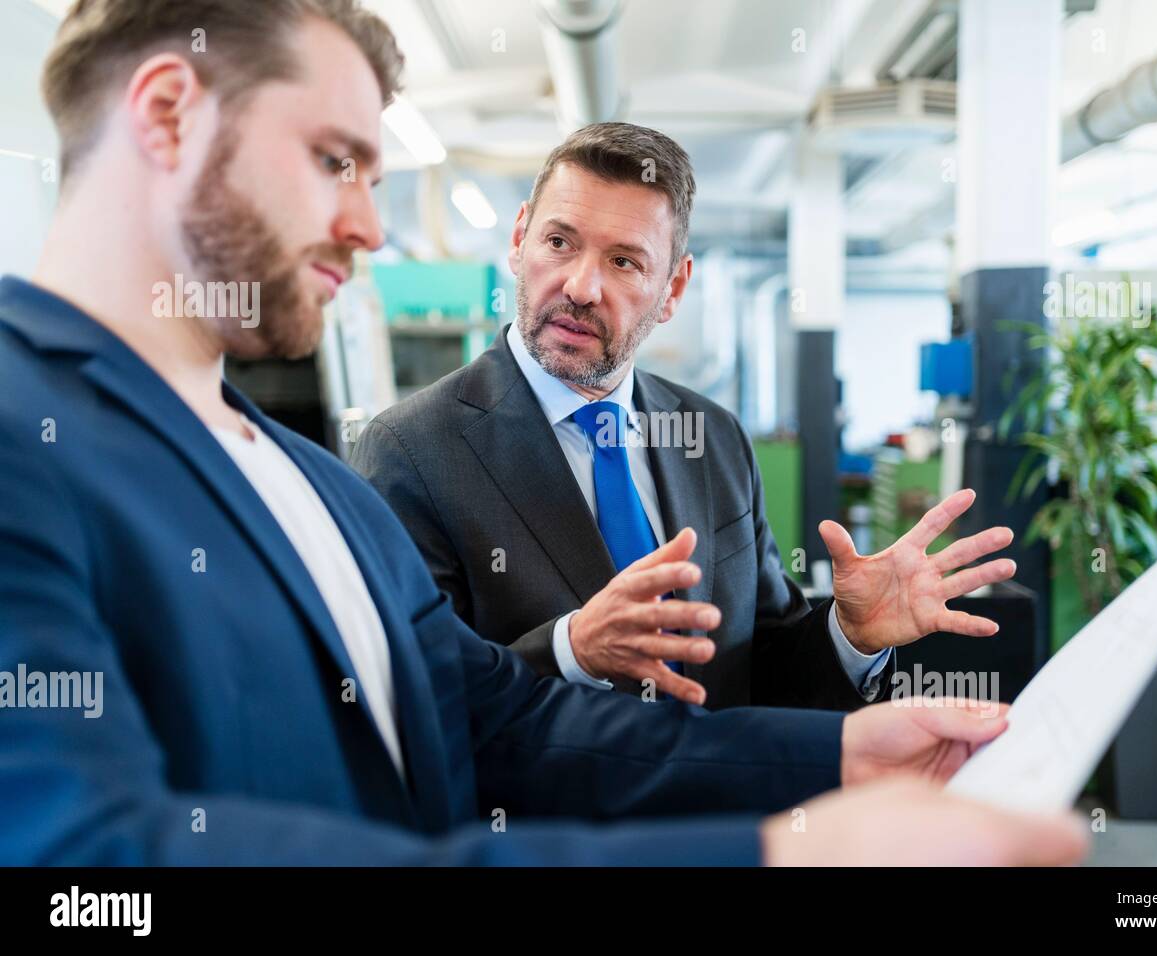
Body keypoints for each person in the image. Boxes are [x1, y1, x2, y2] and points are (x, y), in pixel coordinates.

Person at [0, 0, 1087, 866]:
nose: (368, 224)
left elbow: (503, 722)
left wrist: (839, 751)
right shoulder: (26, 437)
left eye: (374, 177)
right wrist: (767, 854)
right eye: (334, 158)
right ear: (167, 113)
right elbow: (84, 869)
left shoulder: (307, 483)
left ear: (670, 287)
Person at [353, 122, 1019, 710]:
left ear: (673, 289)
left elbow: (763, 666)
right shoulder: (412, 451)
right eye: (559, 242)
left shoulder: (714, 438)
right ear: (521, 238)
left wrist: (851, 634)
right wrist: (572, 652)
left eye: (623, 261)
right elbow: (417, 696)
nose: (581, 286)